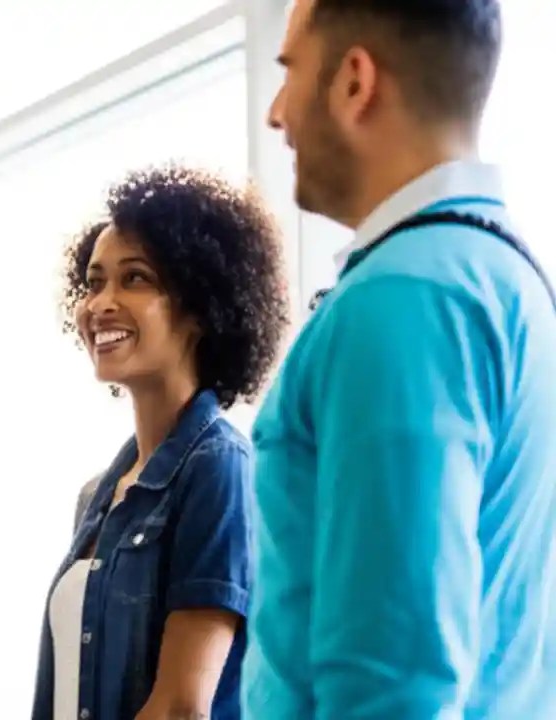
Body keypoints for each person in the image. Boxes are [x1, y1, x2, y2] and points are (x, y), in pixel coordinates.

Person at [245, 1, 556, 718]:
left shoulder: (405, 297)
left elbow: (393, 680)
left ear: (355, 81)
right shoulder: (496, 274)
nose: (276, 113)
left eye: (290, 71)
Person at [32, 164, 290, 720]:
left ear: (199, 308)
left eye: (135, 279)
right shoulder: (99, 497)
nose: (101, 303)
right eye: (95, 281)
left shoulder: (217, 469)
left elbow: (180, 707)